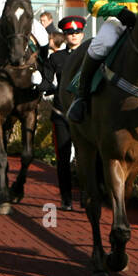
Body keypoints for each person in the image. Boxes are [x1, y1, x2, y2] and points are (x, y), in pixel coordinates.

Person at [47, 15, 86, 209]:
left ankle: (87, 196)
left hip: (84, 115)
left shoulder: (90, 56)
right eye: (70, 33)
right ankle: (66, 197)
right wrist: (38, 83)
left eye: (77, 33)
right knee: (63, 158)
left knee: (85, 157)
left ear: (83, 34)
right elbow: (47, 82)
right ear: (65, 35)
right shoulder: (56, 58)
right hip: (61, 113)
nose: (74, 36)